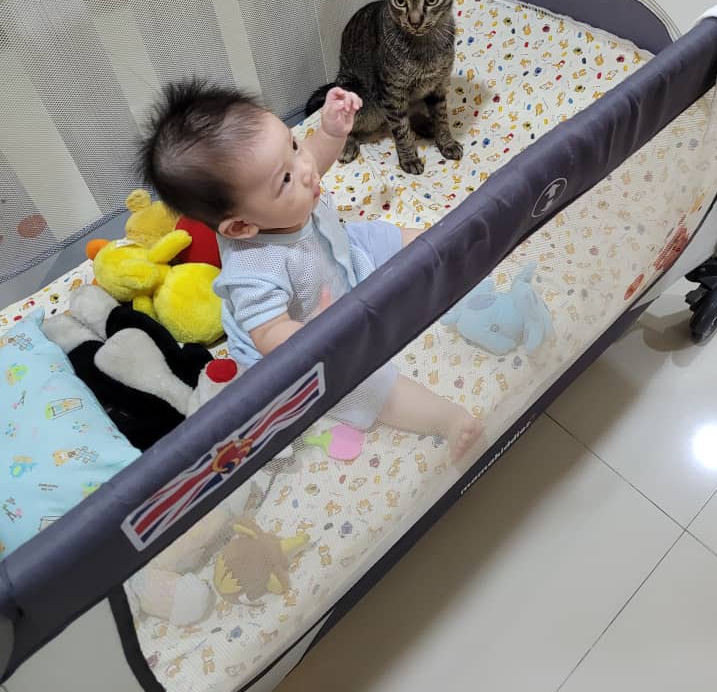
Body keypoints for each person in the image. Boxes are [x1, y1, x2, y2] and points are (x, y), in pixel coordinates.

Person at [139, 79, 483, 460]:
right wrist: (312, 335)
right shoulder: (252, 271)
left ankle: (460, 248)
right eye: (285, 178)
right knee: (366, 386)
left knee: (389, 236)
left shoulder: (290, 187)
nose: (305, 169)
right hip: (306, 325)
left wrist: (329, 132)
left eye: (293, 143)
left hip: (341, 255)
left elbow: (312, 160)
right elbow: (269, 333)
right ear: (241, 227)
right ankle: (447, 419)